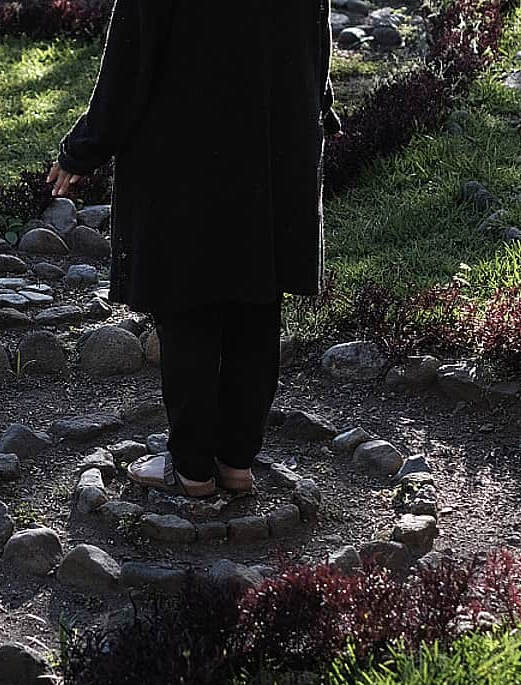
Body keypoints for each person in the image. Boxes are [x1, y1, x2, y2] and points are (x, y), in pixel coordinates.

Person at [48, 0, 343, 497]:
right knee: (257, 302)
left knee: (189, 308)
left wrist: (84, 149)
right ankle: (236, 463)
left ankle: (191, 470)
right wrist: (323, 107)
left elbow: (130, 62)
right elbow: (315, 32)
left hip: (185, 157)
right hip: (273, 149)